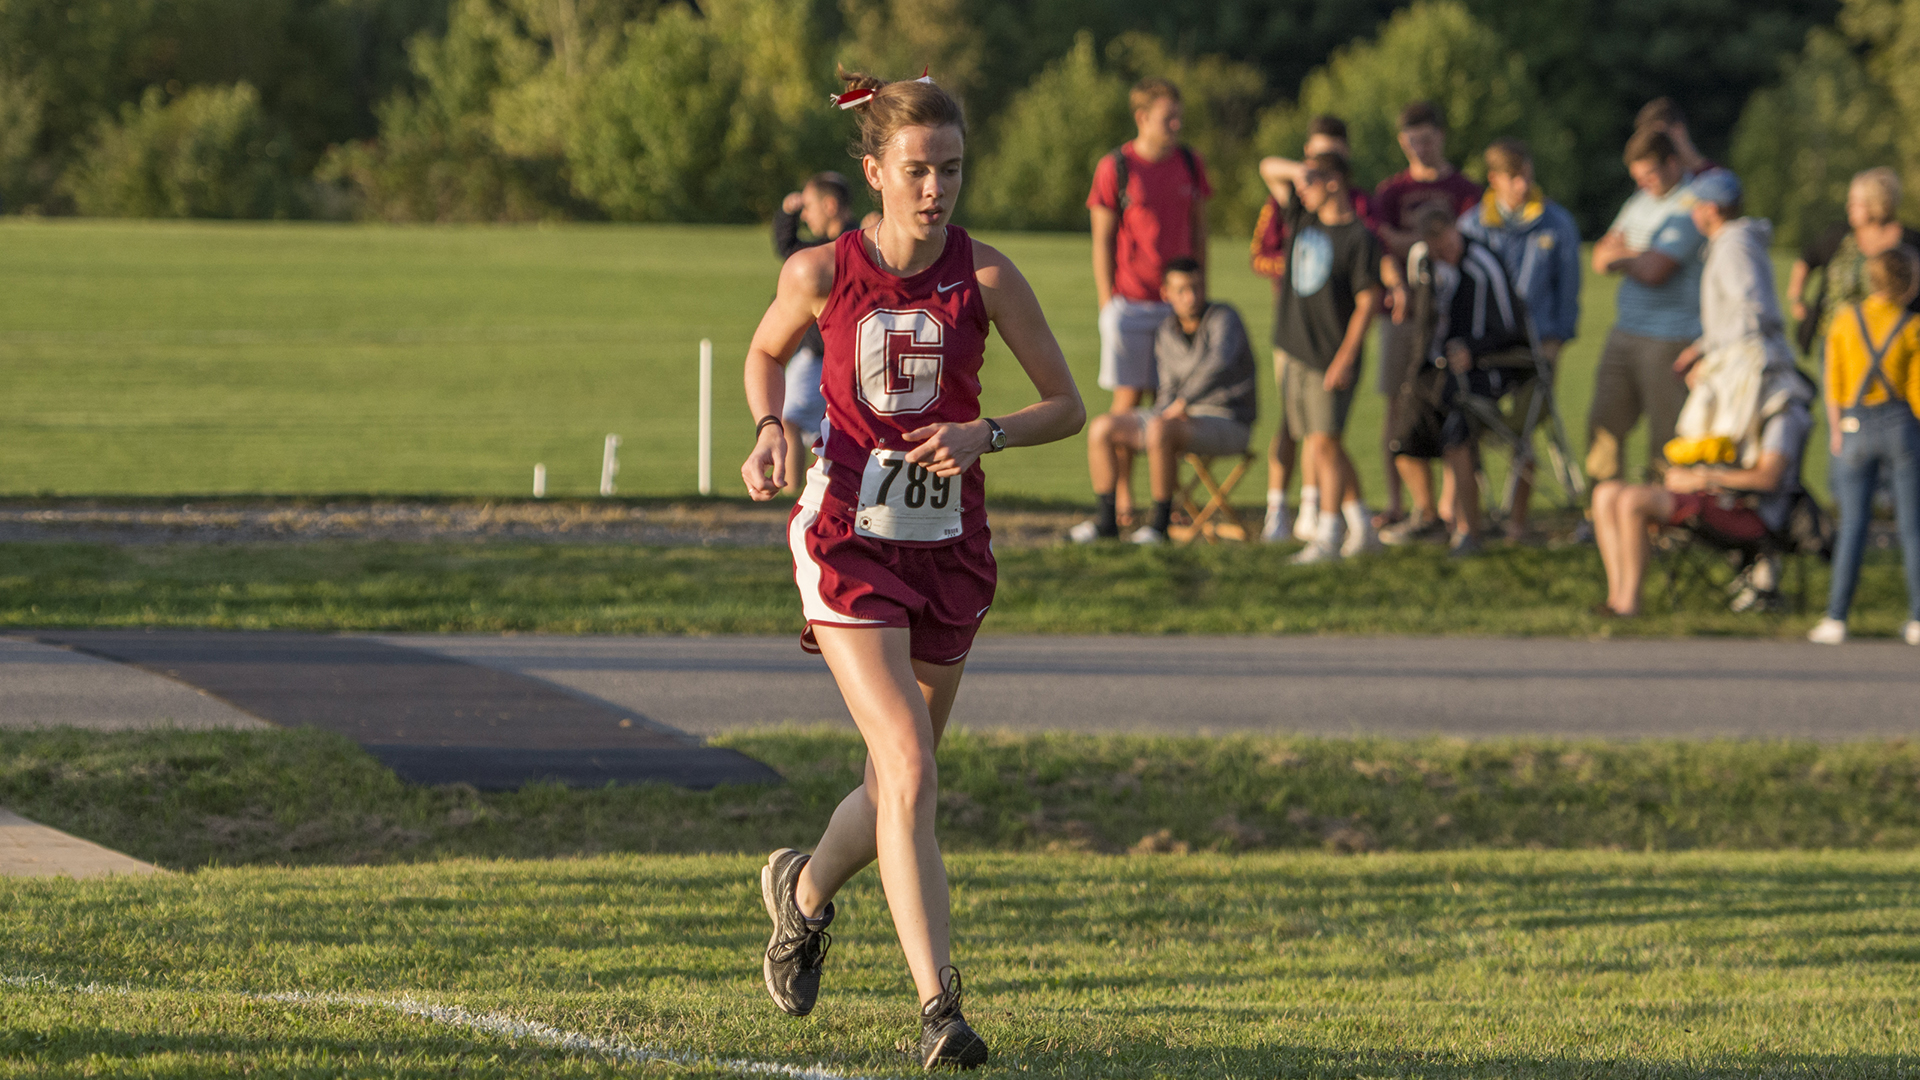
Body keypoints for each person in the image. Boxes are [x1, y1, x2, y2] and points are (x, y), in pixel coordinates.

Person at [740, 66, 1084, 1069]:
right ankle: (942, 1009)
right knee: (908, 766)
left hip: (949, 549)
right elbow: (765, 356)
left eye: (952, 169)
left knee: (903, 782)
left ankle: (802, 894)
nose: (937, 189)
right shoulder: (820, 272)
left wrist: (989, 435)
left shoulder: (987, 277)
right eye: (919, 170)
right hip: (847, 536)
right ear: (875, 170)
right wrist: (770, 426)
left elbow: (1066, 404)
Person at [1086, 78, 1212, 528]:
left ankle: (1166, 502)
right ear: (1142, 118)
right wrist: (1107, 304)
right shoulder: (1116, 167)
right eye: (1167, 117)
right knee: (1126, 402)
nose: (1176, 124)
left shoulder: (1190, 163)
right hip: (1131, 304)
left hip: (1178, 307)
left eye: (1178, 116)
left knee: (1171, 404)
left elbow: (1200, 233)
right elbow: (1101, 240)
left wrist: (1202, 298)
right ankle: (1121, 499)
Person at [1255, 150, 1384, 563]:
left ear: (1335, 182)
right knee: (1319, 441)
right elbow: (1267, 168)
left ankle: (1328, 535)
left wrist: (1346, 358)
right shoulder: (1302, 216)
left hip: (1330, 356)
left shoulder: (1359, 238)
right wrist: (1300, 171)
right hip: (1294, 350)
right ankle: (1361, 525)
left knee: (1325, 444)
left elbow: (1368, 303)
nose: (1301, 189)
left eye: (1312, 181)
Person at [1070, 258, 1257, 542]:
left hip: (1227, 419)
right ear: (1165, 294)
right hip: (1177, 417)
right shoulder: (1167, 330)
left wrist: (1180, 403)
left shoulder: (1224, 318)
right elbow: (1167, 387)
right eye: (1181, 290)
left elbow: (1218, 365)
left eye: (1196, 287)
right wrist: (1169, 408)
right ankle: (1106, 523)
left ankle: (1159, 526)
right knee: (1102, 428)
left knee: (1160, 429)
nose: (1191, 297)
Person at [1385, 208, 1532, 556]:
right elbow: (1424, 320)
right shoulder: (1422, 261)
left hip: (1484, 371)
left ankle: (1469, 531)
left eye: (1448, 245)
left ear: (1456, 231)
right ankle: (1428, 514)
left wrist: (1475, 351)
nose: (1444, 255)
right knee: (1402, 438)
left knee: (1457, 438)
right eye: (1437, 249)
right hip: (1433, 369)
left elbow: (1513, 329)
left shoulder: (1484, 266)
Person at [1456, 138, 1582, 541]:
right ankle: (1471, 517)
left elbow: (1569, 288)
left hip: (1538, 345)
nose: (1523, 185)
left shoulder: (1555, 223)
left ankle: (1517, 522)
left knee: (1526, 429)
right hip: (1485, 349)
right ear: (1494, 180)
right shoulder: (1473, 224)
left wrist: (1557, 339)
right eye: (1513, 177)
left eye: (1527, 175)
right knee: (1471, 423)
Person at [1369, 101, 1484, 524]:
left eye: (1426, 139)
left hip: (1452, 316)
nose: (1418, 147)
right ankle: (1404, 504)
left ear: (1441, 137)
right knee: (1398, 405)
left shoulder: (1464, 189)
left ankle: (1451, 504)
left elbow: (1462, 242)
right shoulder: (1392, 191)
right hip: (1403, 315)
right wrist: (1410, 256)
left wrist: (1409, 242)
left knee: (1454, 406)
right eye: (1410, 140)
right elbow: (1382, 241)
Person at [1809, 247, 1920, 645]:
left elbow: (1834, 380)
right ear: (1907, 283)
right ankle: (1917, 618)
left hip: (1854, 425)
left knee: (1853, 525)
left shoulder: (1844, 320)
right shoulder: (1910, 327)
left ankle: (1836, 617)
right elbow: (1916, 391)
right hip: (1900, 426)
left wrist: (1838, 429)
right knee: (1912, 527)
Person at [1586, 128, 1706, 487]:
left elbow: (1656, 271)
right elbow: (1599, 258)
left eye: (1650, 174)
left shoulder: (1691, 205)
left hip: (1670, 336)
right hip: (1626, 330)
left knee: (1666, 436)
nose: (1645, 183)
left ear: (1672, 163)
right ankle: (1602, 513)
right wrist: (1638, 256)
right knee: (1603, 425)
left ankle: (1663, 518)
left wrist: (1624, 256)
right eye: (1638, 177)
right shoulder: (1638, 201)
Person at [772, 172, 860, 493]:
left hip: (825, 356)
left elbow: (789, 249)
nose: (804, 213)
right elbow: (789, 247)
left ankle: (791, 493)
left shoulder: (846, 247)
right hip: (845, 357)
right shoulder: (863, 240)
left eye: (808, 206)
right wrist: (787, 214)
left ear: (831, 205)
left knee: (789, 421)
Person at [1788, 168, 1920, 360]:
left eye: (1856, 202)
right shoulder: (1839, 237)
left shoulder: (1910, 241)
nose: (1849, 206)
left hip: (1892, 342)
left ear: (1877, 203)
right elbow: (1807, 259)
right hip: (1838, 340)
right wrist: (1797, 298)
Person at [1633, 97, 1718, 176]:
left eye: (1660, 137)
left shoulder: (1718, 180)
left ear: (1679, 129)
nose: (1656, 147)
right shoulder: (1649, 190)